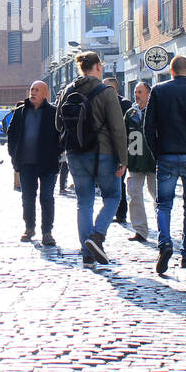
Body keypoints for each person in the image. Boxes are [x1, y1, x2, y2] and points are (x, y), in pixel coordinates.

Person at [54, 52, 128, 265]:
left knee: (83, 202)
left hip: (75, 152)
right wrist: (123, 158)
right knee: (113, 196)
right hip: (103, 152)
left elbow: (58, 125)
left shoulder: (68, 90)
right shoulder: (106, 92)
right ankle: (97, 236)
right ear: (97, 66)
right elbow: (117, 127)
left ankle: (87, 254)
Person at [144, 57, 186, 272]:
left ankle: (164, 242)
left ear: (171, 71)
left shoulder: (159, 90)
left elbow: (148, 126)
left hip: (167, 153)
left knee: (164, 205)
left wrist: (157, 151)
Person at [7, 81, 61, 244]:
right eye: (31, 89)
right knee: (28, 197)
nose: (33, 93)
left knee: (46, 197)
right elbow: (11, 134)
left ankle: (47, 232)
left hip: (48, 164)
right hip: (26, 163)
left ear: (45, 94)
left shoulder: (53, 112)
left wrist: (57, 151)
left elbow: (62, 134)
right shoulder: (20, 112)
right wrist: (13, 155)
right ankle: (29, 228)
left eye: (37, 90)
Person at [124, 81, 156, 244]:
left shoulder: (156, 112)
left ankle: (163, 229)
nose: (136, 95)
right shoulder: (130, 114)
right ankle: (140, 230)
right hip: (135, 160)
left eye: (140, 92)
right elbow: (123, 137)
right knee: (134, 194)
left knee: (157, 196)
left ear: (148, 94)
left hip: (153, 162)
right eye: (136, 91)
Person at [105, 77, 133, 225]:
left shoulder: (125, 104)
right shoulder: (101, 103)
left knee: (119, 181)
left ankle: (121, 213)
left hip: (122, 148)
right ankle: (114, 211)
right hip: (106, 148)